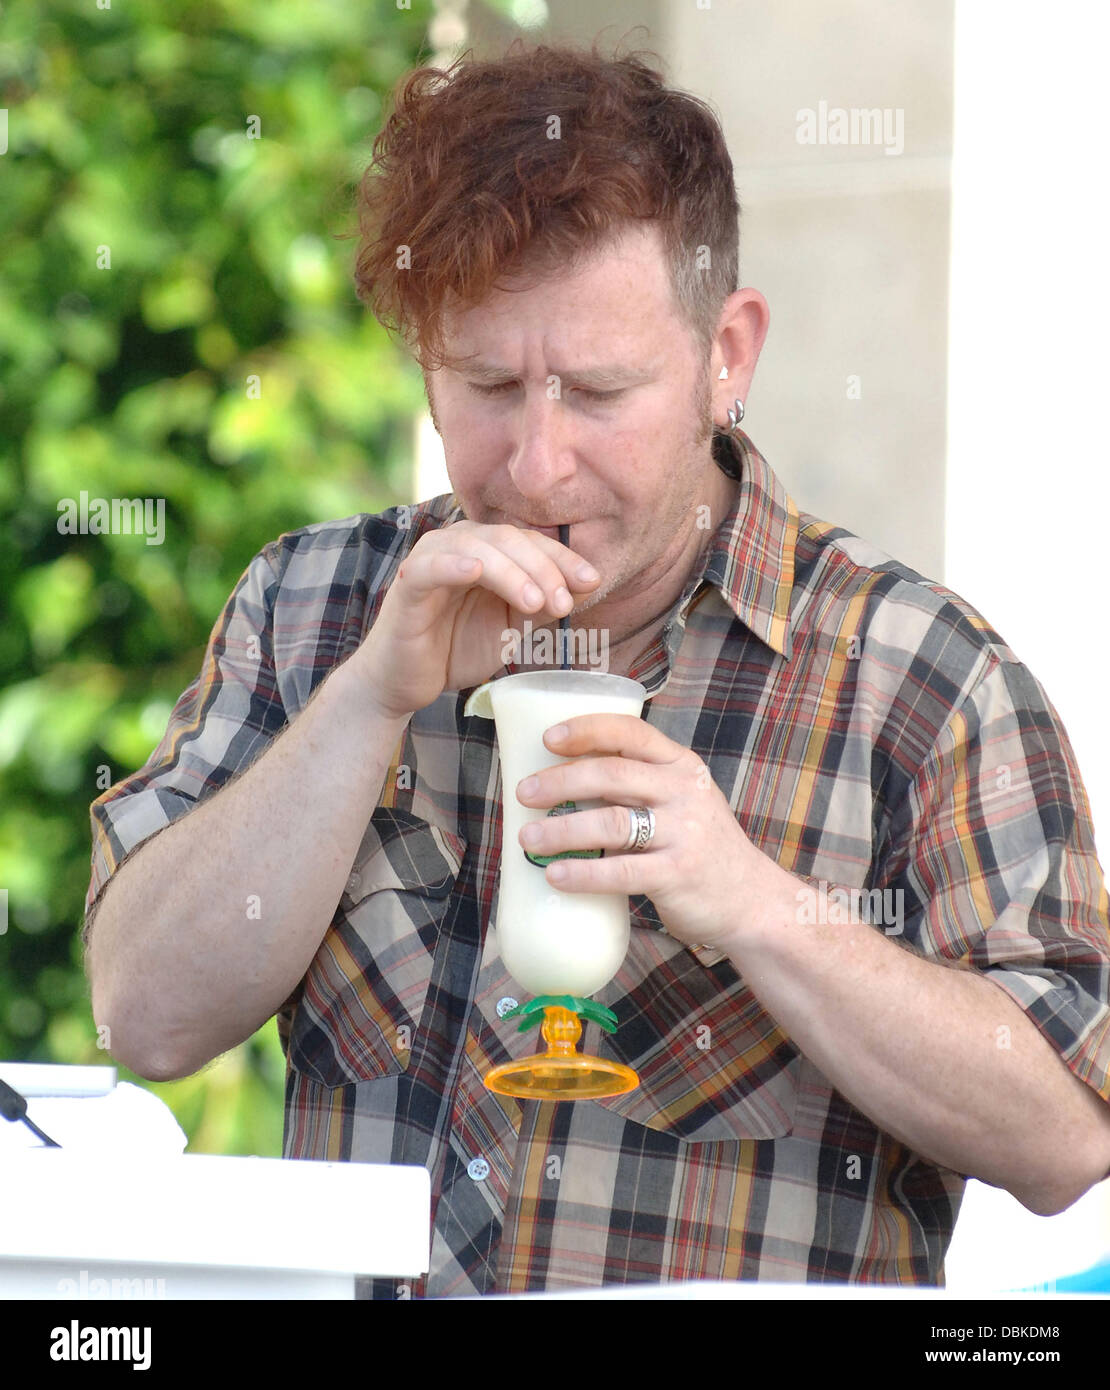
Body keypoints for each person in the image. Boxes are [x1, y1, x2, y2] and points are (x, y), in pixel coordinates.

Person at [83, 40, 1110, 1297]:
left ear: (728, 356)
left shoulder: (920, 678)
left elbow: (1067, 1135)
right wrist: (367, 703)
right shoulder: (316, 606)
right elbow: (141, 1015)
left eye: (599, 392)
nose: (536, 464)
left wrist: (749, 899)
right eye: (488, 385)